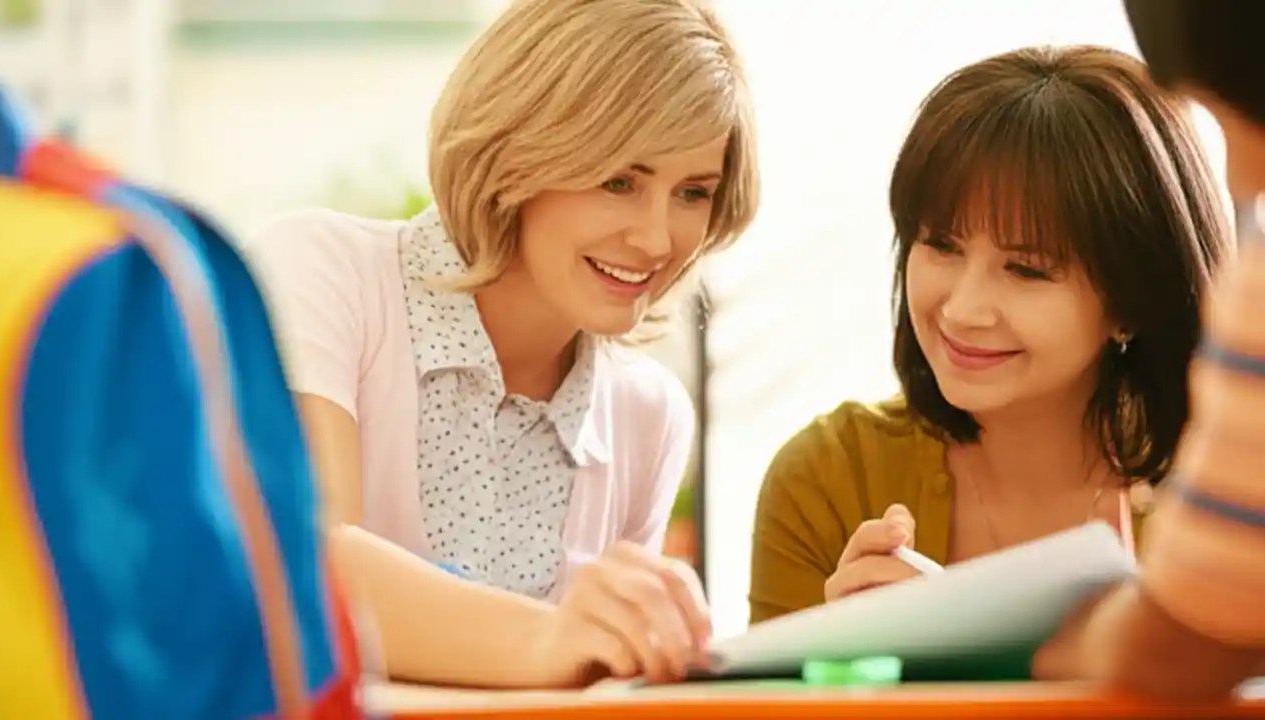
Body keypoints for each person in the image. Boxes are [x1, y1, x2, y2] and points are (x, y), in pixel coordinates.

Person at [245, 0, 759, 685]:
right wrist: (548, 641)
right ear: (518, 150)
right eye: (619, 181)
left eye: (692, 193)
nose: (656, 239)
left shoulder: (649, 416)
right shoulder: (321, 272)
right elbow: (304, 571)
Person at [749, 45, 1229, 624]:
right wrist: (845, 655)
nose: (962, 309)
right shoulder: (831, 479)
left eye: (1026, 269)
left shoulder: (1229, 494)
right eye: (941, 244)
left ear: (1132, 298)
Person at [1032, 1, 1265, 698]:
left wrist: (1051, 643)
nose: (1240, 179)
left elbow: (1180, 649)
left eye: (1029, 268)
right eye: (940, 244)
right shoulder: (835, 464)